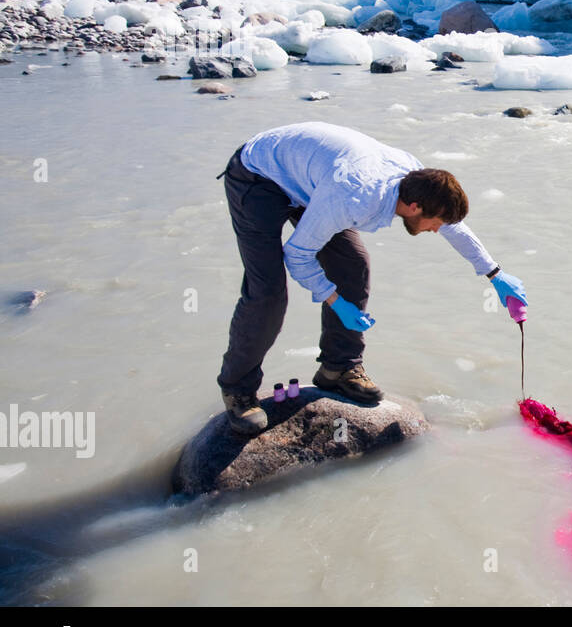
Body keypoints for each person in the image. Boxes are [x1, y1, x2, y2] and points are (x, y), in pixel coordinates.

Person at [213, 121, 526, 436]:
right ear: (415, 206)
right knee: (267, 290)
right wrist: (335, 301)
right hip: (259, 177)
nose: (435, 229)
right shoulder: (355, 197)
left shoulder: (416, 179)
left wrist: (494, 274)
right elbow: (297, 256)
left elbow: (452, 226)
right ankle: (238, 389)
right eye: (434, 222)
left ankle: (338, 368)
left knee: (353, 264)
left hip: (312, 180)